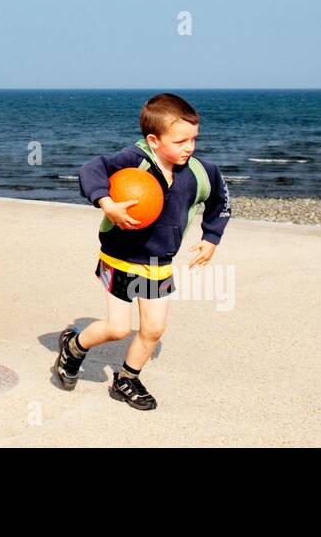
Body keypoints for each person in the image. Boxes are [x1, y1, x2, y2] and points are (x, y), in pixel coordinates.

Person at [53, 93, 232, 409]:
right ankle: (73, 346)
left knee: (153, 329)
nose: (189, 147)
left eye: (194, 139)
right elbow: (91, 169)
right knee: (118, 328)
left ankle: (126, 379)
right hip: (119, 258)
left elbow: (221, 201)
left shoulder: (201, 171)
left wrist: (211, 238)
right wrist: (107, 204)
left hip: (158, 262)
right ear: (154, 140)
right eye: (180, 141)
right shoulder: (132, 160)